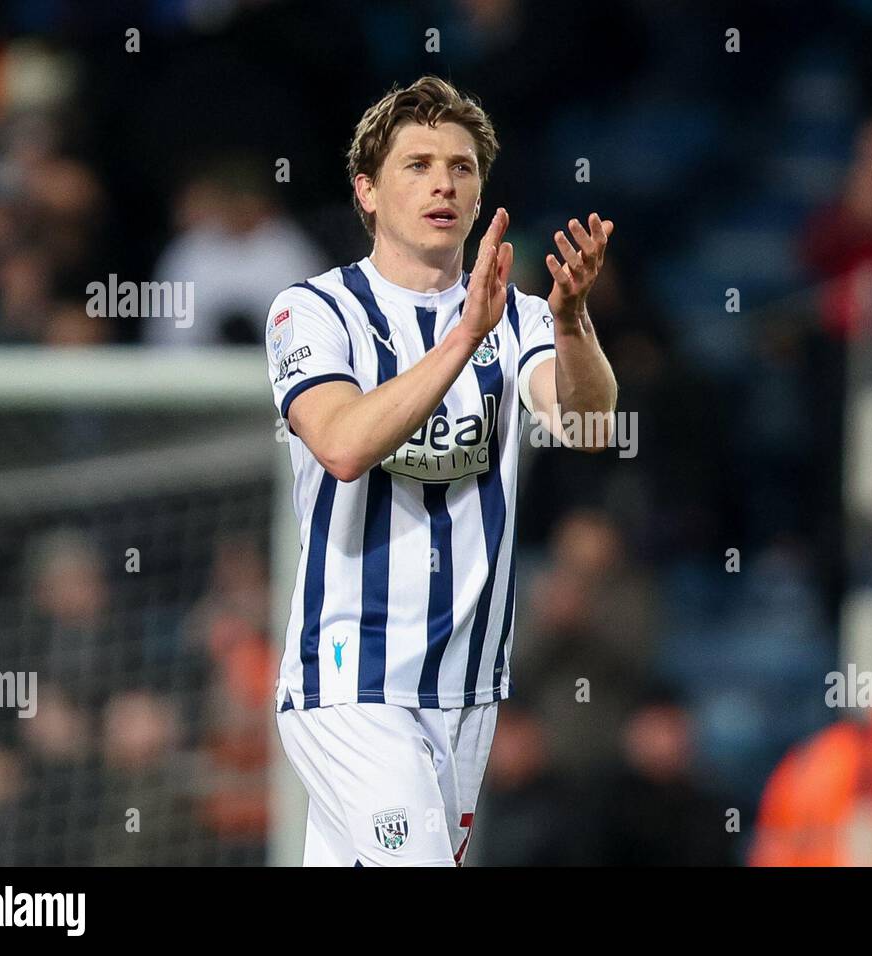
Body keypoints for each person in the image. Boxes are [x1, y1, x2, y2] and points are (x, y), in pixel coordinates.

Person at [268, 76, 617, 866]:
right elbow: (345, 444)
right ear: (367, 190)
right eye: (417, 164)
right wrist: (462, 339)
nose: (442, 184)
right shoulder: (314, 311)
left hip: (466, 688)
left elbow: (590, 424)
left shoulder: (523, 316)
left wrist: (571, 321)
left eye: (461, 167)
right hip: (350, 684)